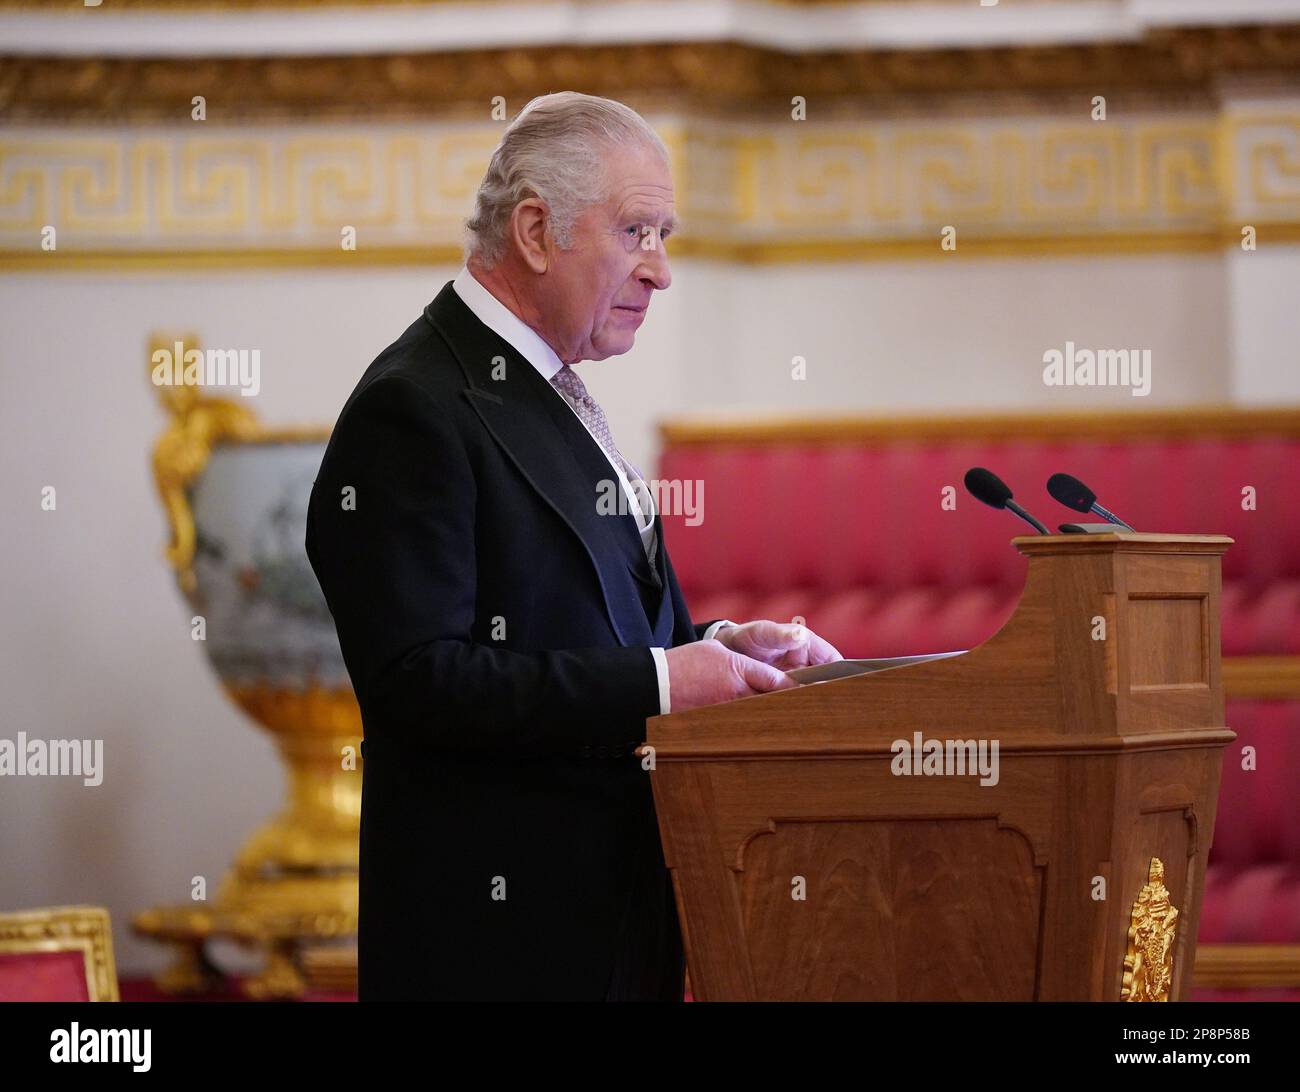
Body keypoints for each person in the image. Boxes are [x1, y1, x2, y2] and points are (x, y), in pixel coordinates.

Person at [306, 91, 842, 1001]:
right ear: (535, 230)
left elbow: (594, 623)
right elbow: (418, 680)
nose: (661, 271)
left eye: (664, 234)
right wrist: (667, 682)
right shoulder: (416, 406)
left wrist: (711, 647)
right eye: (637, 231)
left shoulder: (545, 386)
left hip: (612, 926)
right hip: (496, 946)